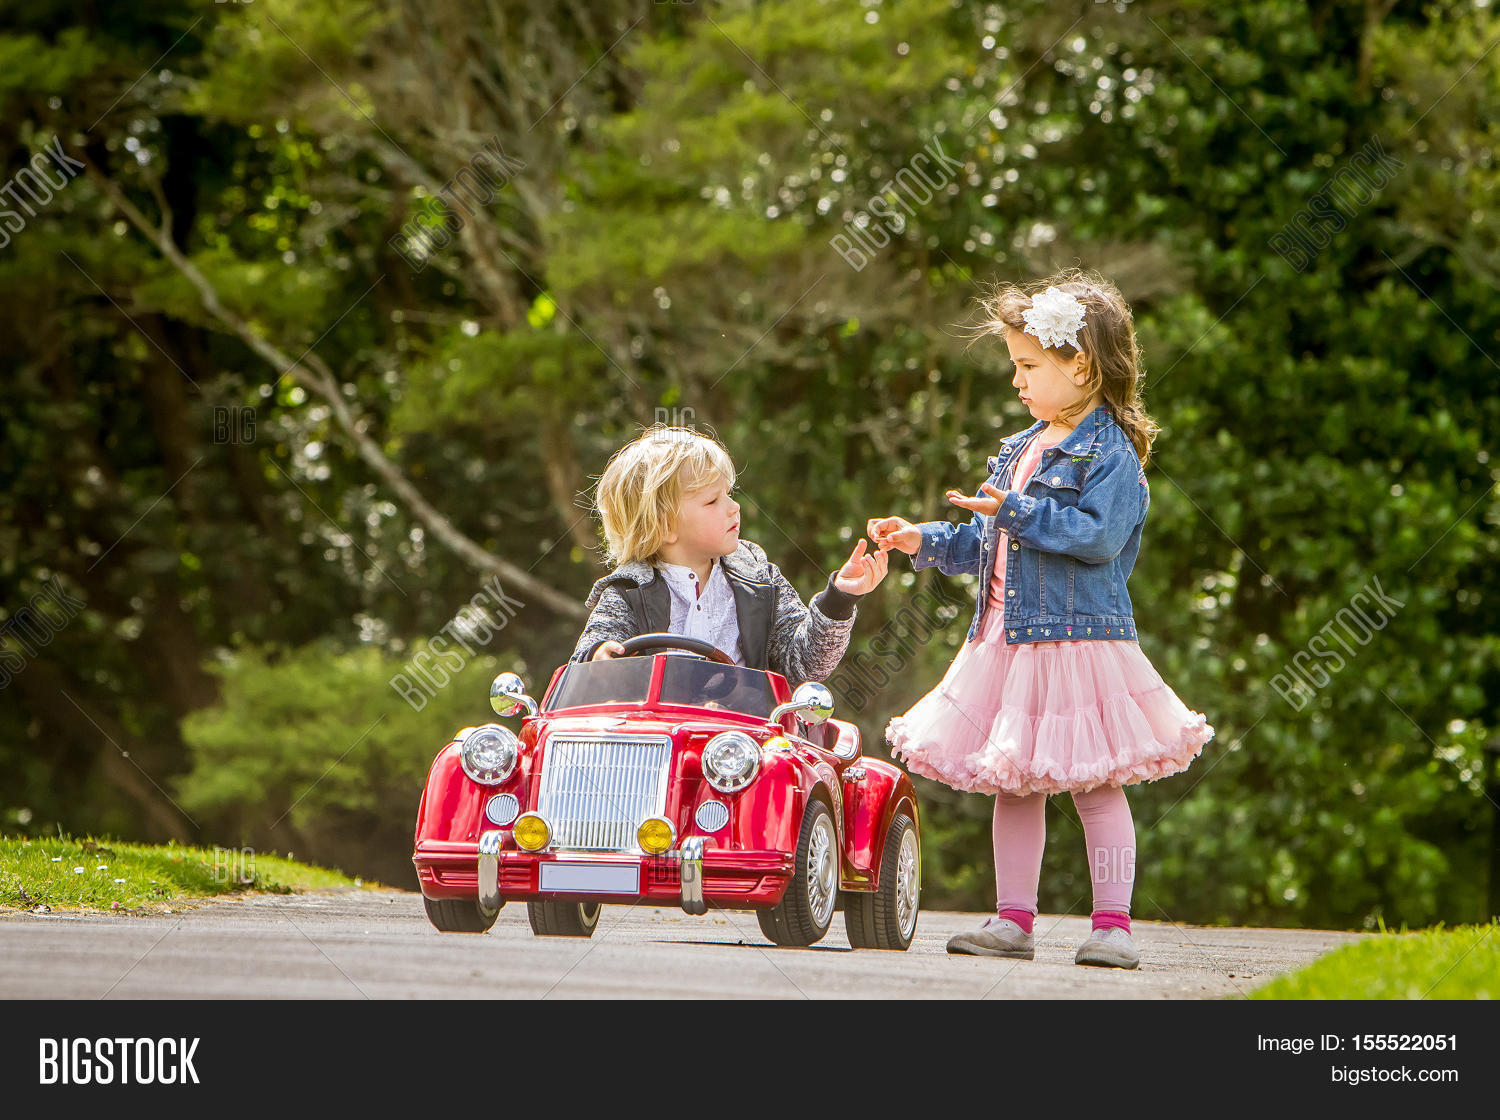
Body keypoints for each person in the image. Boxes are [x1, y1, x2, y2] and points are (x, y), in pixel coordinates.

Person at [867, 271, 1214, 969]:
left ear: (1079, 365)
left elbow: (1095, 537)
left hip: (1077, 643)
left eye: (1028, 366)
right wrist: (926, 540)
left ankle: (1112, 926)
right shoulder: (1021, 445)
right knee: (1014, 780)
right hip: (1007, 641)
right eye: (1015, 367)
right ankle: (1012, 920)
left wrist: (1017, 510)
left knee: (1094, 782)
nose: (1018, 381)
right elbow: (988, 540)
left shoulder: (1108, 451)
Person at [572, 425, 889, 687]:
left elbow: (804, 667)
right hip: (663, 740)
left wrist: (839, 599)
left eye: (729, 494)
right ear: (664, 526)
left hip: (748, 740)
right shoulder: (628, 592)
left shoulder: (757, 577)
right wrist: (599, 659)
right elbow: (585, 666)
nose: (733, 507)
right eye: (712, 501)